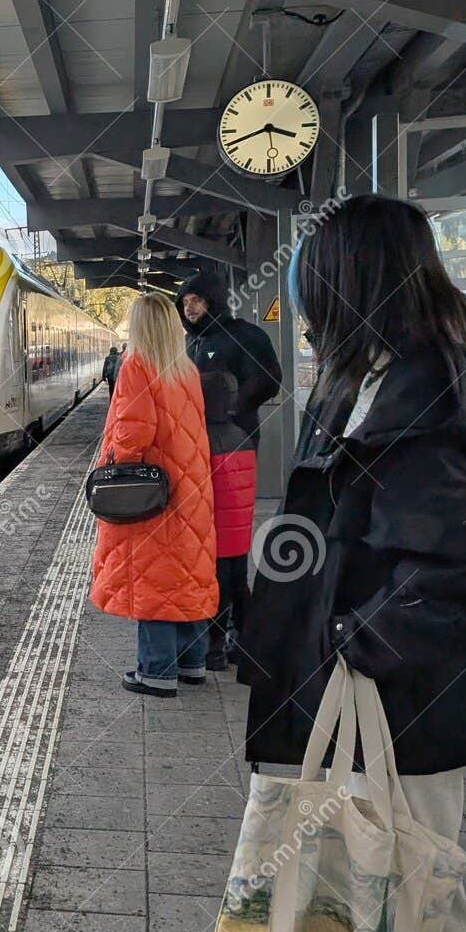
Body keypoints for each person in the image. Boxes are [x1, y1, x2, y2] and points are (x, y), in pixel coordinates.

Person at [239, 194, 466, 932]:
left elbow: (463, 579)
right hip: (369, 696)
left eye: (317, 289)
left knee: (414, 890)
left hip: (397, 705)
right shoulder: (366, 382)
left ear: (351, 284)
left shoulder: (423, 398)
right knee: (408, 893)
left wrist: (348, 642)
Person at [88, 292, 218, 697]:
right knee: (186, 570)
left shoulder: (137, 365)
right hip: (191, 483)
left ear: (140, 326)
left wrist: (114, 464)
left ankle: (156, 671)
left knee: (155, 576)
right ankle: (193, 662)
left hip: (155, 490)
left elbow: (133, 429)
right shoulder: (186, 369)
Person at [177, 272, 281, 670]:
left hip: (234, 449)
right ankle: (235, 630)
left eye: (197, 301)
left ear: (215, 301)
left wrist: (234, 412)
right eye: (185, 302)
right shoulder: (193, 341)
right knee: (217, 544)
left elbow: (271, 379)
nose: (190, 309)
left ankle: (224, 635)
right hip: (203, 449)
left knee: (229, 545)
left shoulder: (245, 335)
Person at [197, 367, 257, 673]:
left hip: (214, 533)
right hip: (240, 531)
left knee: (216, 589)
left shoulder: (201, 441)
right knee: (239, 585)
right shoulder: (242, 436)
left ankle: (215, 648)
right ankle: (245, 643)